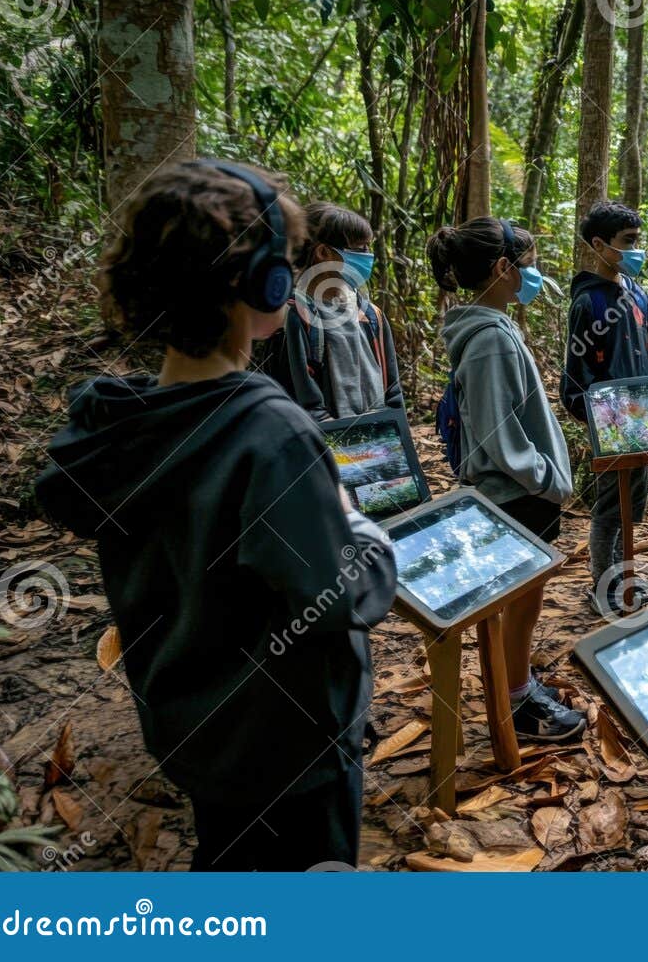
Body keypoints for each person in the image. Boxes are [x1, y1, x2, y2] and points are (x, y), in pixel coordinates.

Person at [34, 160, 397, 870]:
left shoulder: (117, 420)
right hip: (291, 745)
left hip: (196, 733)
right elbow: (341, 593)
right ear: (260, 281)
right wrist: (358, 523)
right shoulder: (269, 432)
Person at [430, 217, 582, 743]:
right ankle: (515, 703)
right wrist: (544, 478)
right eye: (530, 264)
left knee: (525, 601)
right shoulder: (491, 337)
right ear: (502, 269)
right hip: (516, 495)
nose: (536, 275)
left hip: (524, 494)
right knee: (517, 604)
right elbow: (498, 431)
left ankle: (516, 685)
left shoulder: (494, 325)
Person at [562, 200, 648, 615]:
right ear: (599, 245)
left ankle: (624, 575)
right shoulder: (588, 302)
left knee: (632, 505)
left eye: (638, 241)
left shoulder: (640, 295)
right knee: (609, 507)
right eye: (627, 242)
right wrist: (598, 421)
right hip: (610, 424)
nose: (636, 250)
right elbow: (575, 373)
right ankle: (605, 584)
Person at [266, 201, 403, 420]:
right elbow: (306, 403)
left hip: (379, 443)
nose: (368, 256)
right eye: (360, 249)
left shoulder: (371, 314)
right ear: (323, 252)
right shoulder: (295, 316)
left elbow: (393, 392)